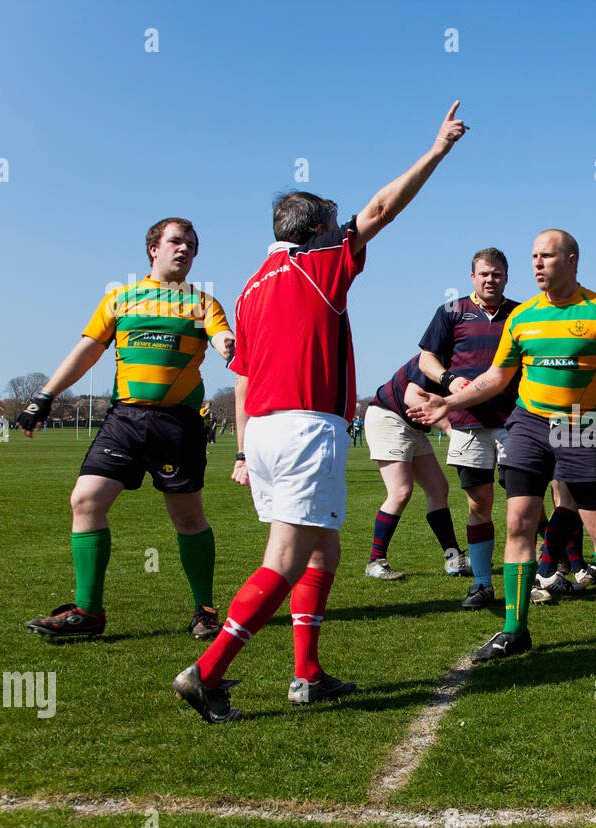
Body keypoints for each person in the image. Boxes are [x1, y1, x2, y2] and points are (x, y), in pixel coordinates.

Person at [173, 102, 467, 723]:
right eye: (335, 221)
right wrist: (436, 150)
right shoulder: (317, 262)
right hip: (308, 427)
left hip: (270, 433)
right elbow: (382, 210)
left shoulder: (251, 286)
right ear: (316, 229)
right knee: (284, 557)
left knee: (323, 552)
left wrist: (244, 449)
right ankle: (207, 672)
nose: (345, 228)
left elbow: (244, 379)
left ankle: (306, 674)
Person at [409, 229, 596, 660]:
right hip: (529, 423)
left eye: (546, 257)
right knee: (519, 523)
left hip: (581, 424)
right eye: (533, 256)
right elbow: (496, 378)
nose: (536, 265)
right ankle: (514, 630)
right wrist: (448, 401)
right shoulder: (522, 317)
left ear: (570, 260)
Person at [20, 217, 234, 641]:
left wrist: (228, 344)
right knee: (85, 500)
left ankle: (205, 610)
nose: (185, 249)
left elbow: (220, 335)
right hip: (125, 420)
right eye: (176, 241)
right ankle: (88, 612)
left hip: (177, 424)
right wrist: (44, 395)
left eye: (192, 244)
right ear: (153, 248)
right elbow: (87, 350)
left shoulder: (202, 302)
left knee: (187, 517)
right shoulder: (120, 299)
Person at [418, 248, 521, 609]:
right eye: (483, 273)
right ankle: (481, 583)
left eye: (497, 273)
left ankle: (529, 576)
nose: (490, 279)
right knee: (479, 502)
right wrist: (448, 379)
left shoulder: (522, 313)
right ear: (472, 277)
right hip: (469, 423)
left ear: (506, 277)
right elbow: (426, 357)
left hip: (515, 422)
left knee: (522, 504)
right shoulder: (451, 310)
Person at [362, 355, 468, 582]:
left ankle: (453, 558)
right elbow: (412, 396)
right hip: (390, 417)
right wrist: (449, 429)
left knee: (438, 488)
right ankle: (375, 561)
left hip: (412, 425)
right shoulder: (438, 356)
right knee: (400, 492)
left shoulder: (459, 357)